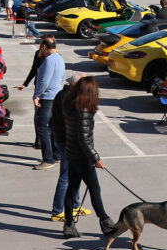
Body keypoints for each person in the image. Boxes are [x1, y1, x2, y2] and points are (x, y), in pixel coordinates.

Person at [61, 76, 115, 239]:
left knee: (72, 189)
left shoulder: (70, 104)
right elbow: (83, 138)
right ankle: (105, 221)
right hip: (82, 156)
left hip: (72, 153)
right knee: (94, 188)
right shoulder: (83, 110)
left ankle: (69, 224)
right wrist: (95, 158)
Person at [49, 74, 91, 222]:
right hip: (66, 142)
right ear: (76, 84)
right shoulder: (66, 98)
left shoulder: (66, 94)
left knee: (75, 173)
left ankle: (75, 205)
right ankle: (57, 211)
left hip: (65, 140)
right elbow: (67, 123)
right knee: (65, 176)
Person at [33, 35, 65, 171]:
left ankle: (48, 159)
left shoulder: (48, 60)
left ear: (44, 47)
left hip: (47, 98)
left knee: (42, 127)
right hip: (57, 96)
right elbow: (62, 78)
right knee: (52, 127)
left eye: (41, 47)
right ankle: (57, 155)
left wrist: (37, 95)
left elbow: (44, 81)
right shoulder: (60, 58)